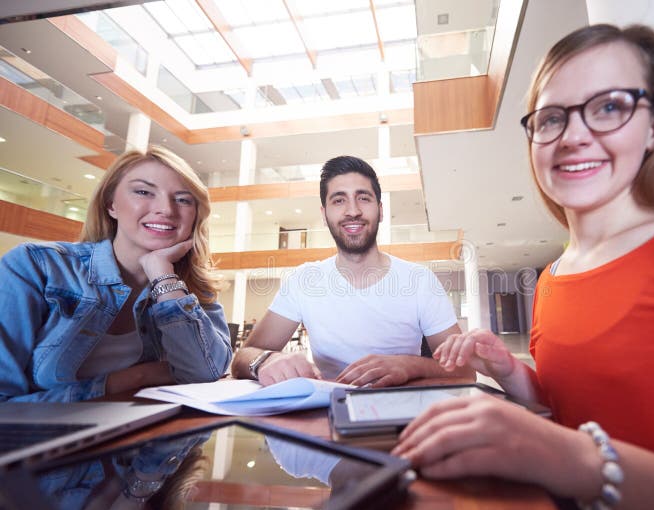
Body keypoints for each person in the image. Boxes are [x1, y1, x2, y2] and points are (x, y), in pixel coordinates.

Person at [393, 24, 654, 510]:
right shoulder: (551, 279)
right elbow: (574, 415)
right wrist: (512, 375)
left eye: (609, 107)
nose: (574, 135)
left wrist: (587, 465)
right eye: (552, 118)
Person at [0, 145, 232, 402]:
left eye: (183, 199)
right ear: (111, 204)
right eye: (143, 192)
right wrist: (129, 379)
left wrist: (162, 275)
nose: (166, 209)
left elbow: (206, 373)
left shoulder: (190, 287)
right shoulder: (34, 266)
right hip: (38, 437)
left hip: (144, 434)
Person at [232, 156, 473, 386]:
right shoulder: (303, 280)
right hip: (326, 416)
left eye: (363, 198)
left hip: (404, 417)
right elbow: (243, 358)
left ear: (380, 210)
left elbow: (465, 372)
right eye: (339, 200)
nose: (353, 211)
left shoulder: (419, 280)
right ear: (324, 215)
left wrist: (410, 365)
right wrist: (267, 360)